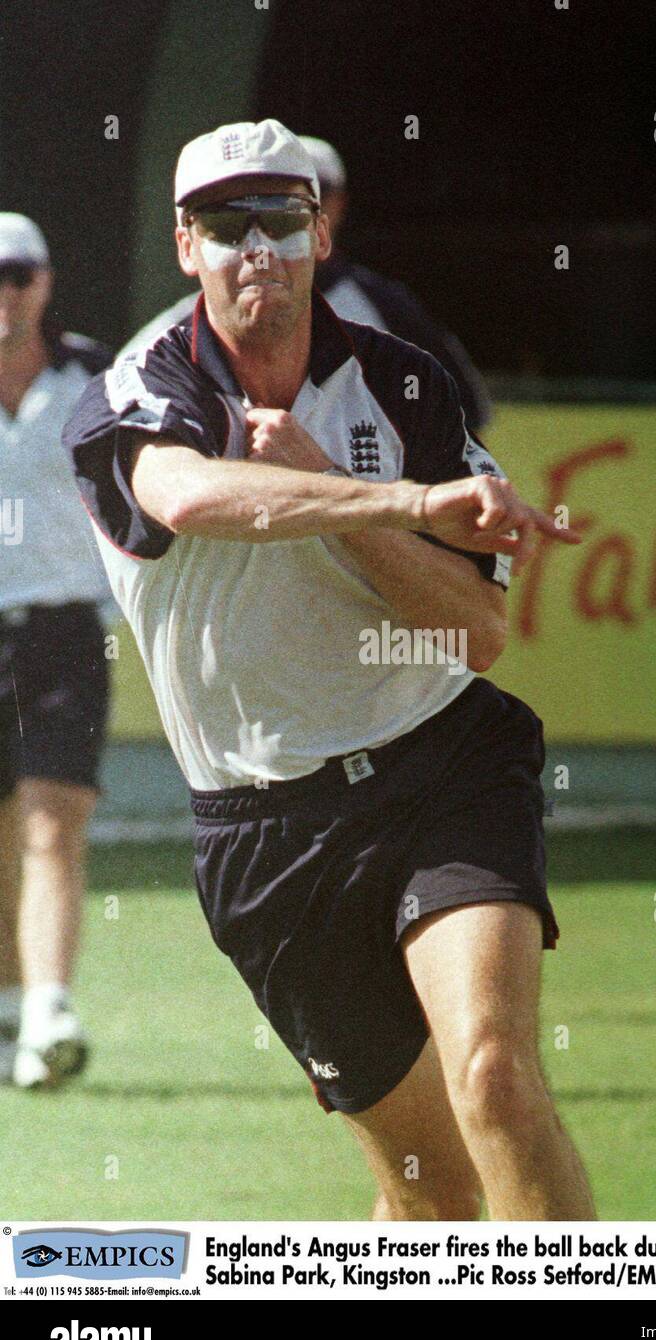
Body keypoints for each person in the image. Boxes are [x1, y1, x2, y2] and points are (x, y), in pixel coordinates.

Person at [63, 119, 595, 1220]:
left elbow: (478, 637)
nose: (254, 248)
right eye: (226, 224)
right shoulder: (139, 388)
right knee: (425, 1187)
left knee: (493, 1076)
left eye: (280, 220)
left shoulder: (402, 389)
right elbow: (193, 499)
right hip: (268, 834)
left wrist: (354, 511)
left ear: (317, 235)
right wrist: (400, 503)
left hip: (441, 762)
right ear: (184, 245)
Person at [123, 135, 491, 433]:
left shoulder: (386, 306)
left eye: (286, 208)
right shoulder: (171, 333)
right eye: (229, 222)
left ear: (333, 206)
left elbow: (463, 410)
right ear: (187, 245)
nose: (260, 241)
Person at [0, 213, 112, 1087]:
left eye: (18, 273)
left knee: (51, 821)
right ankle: (13, 1008)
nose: (5, 291)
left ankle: (48, 1012)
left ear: (44, 281)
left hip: (67, 629)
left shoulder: (98, 380)